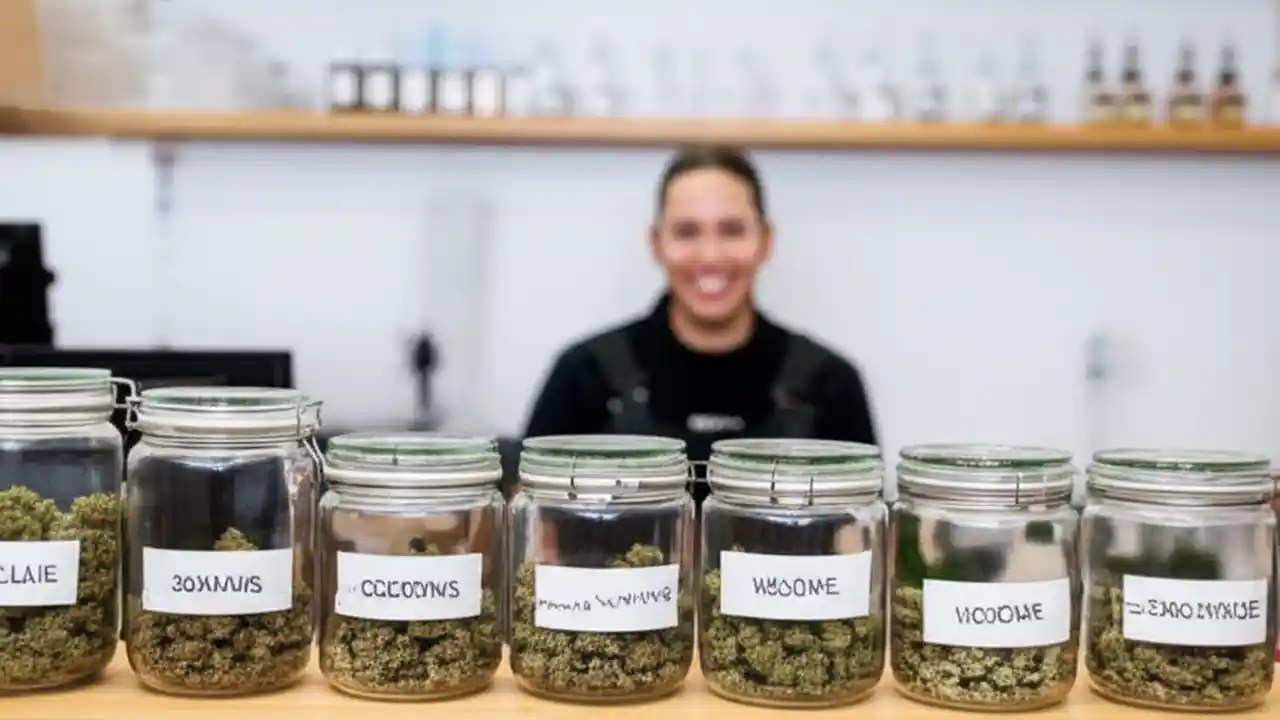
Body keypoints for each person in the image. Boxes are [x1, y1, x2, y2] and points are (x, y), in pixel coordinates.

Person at [523, 145, 877, 499]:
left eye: (732, 230)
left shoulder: (831, 384)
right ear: (656, 244)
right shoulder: (584, 375)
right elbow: (536, 526)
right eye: (687, 231)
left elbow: (861, 535)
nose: (710, 256)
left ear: (766, 241)